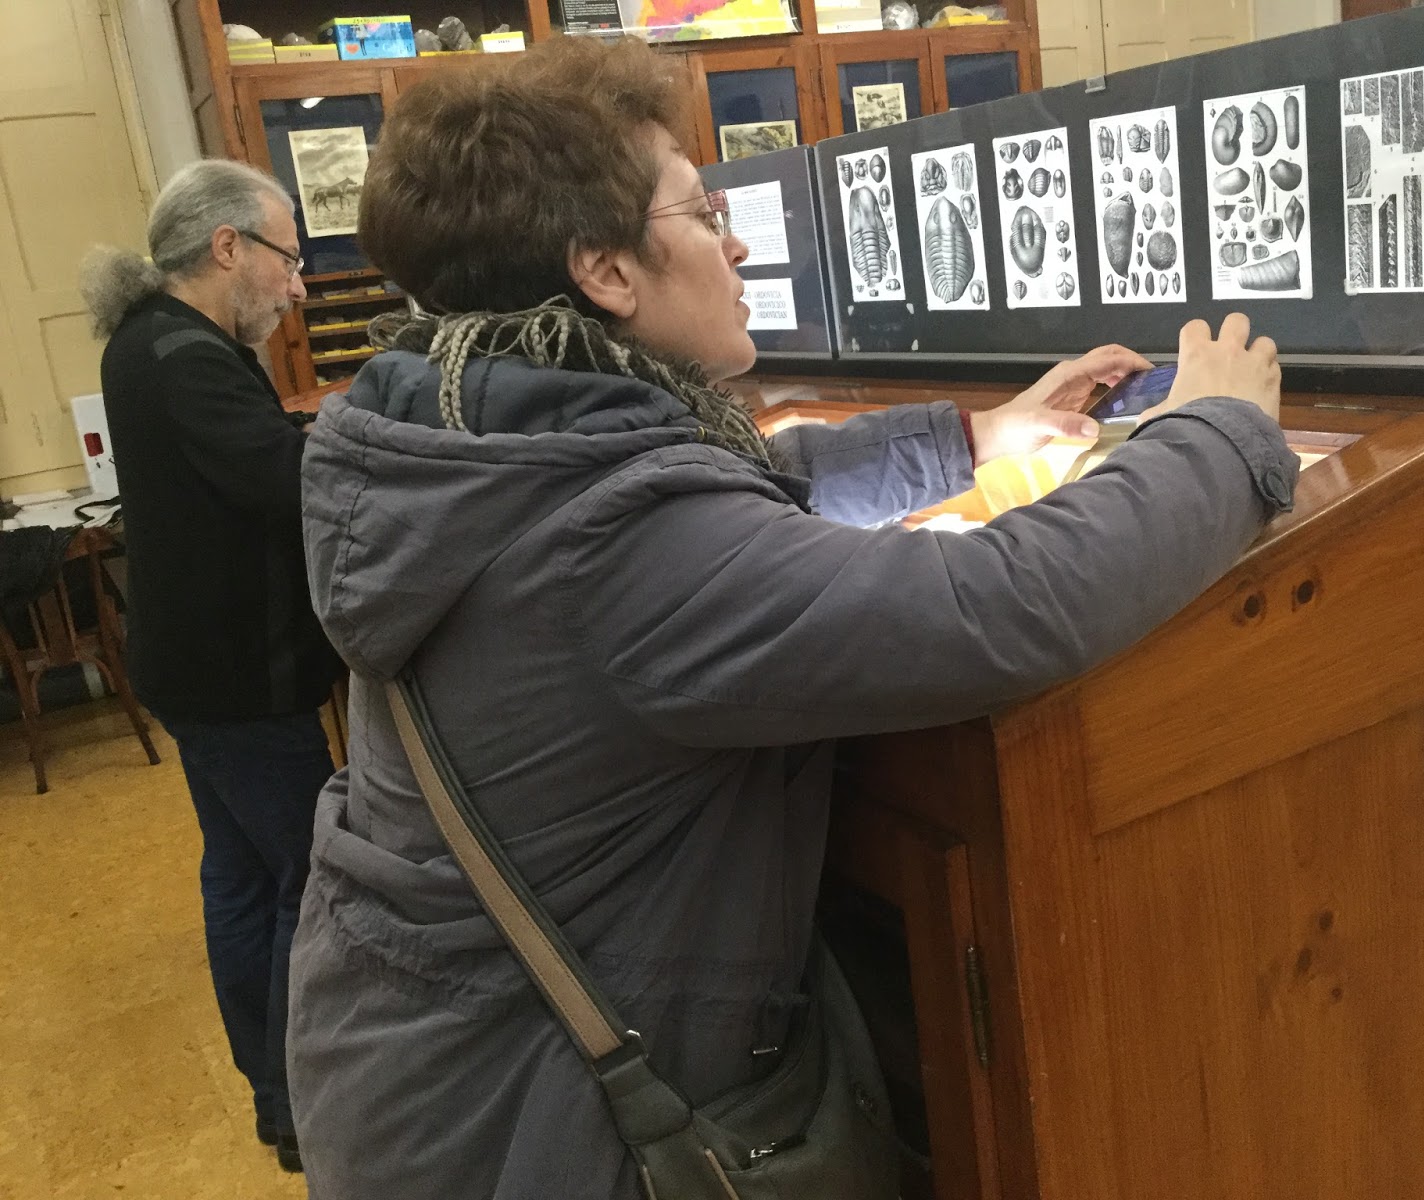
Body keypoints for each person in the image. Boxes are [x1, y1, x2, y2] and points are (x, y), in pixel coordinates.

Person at [286, 36, 1297, 1200]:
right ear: (607, 270)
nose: (738, 242)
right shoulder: (615, 550)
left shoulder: (467, 441)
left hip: (420, 1071)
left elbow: (732, 484)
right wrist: (1217, 434)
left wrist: (973, 438)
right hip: (530, 1127)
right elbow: (995, 607)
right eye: (703, 210)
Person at [80, 159, 344, 1173]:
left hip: (195, 671)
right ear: (227, 247)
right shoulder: (183, 355)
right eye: (287, 256)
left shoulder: (151, 340)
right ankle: (299, 1102)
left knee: (240, 877)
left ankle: (273, 1096)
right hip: (240, 680)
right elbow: (285, 483)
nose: (296, 285)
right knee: (307, 883)